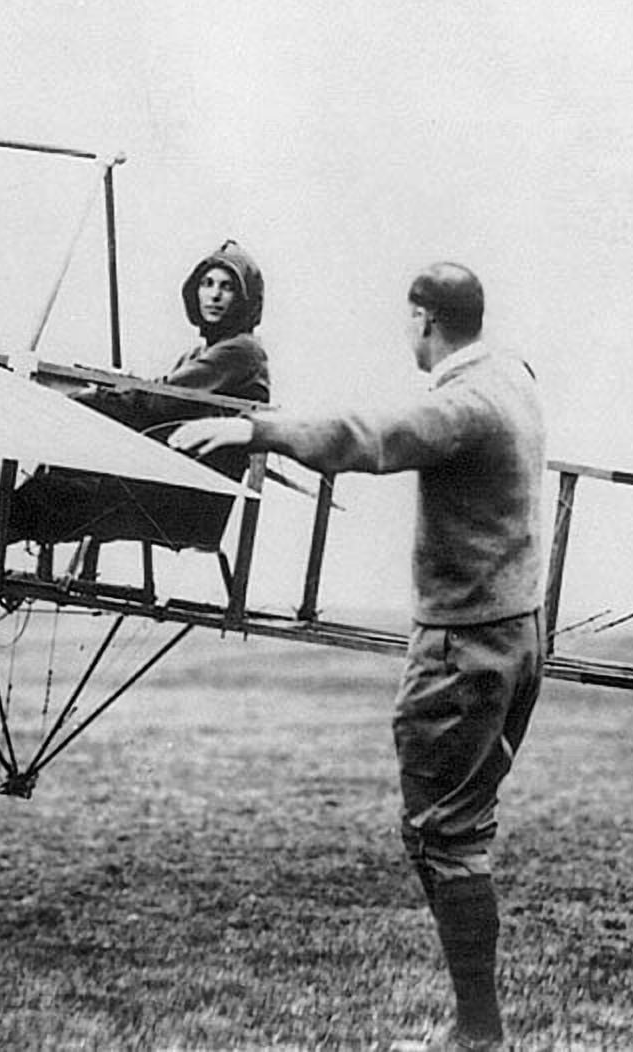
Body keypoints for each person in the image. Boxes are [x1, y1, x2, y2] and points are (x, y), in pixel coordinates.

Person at [171, 261, 544, 1052]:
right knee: (459, 832)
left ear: (422, 320)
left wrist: (254, 429)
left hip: (466, 646)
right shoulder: (512, 376)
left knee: (445, 837)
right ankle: (479, 1030)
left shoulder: (468, 401)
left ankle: (479, 1035)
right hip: (513, 632)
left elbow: (375, 437)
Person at [0, 239, 269, 562]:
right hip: (170, 484)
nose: (215, 294)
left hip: (189, 501)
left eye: (228, 286)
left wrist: (74, 400)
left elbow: (156, 404)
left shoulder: (241, 352)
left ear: (245, 298)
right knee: (57, 485)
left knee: (55, 494)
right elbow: (154, 400)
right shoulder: (203, 353)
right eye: (208, 283)